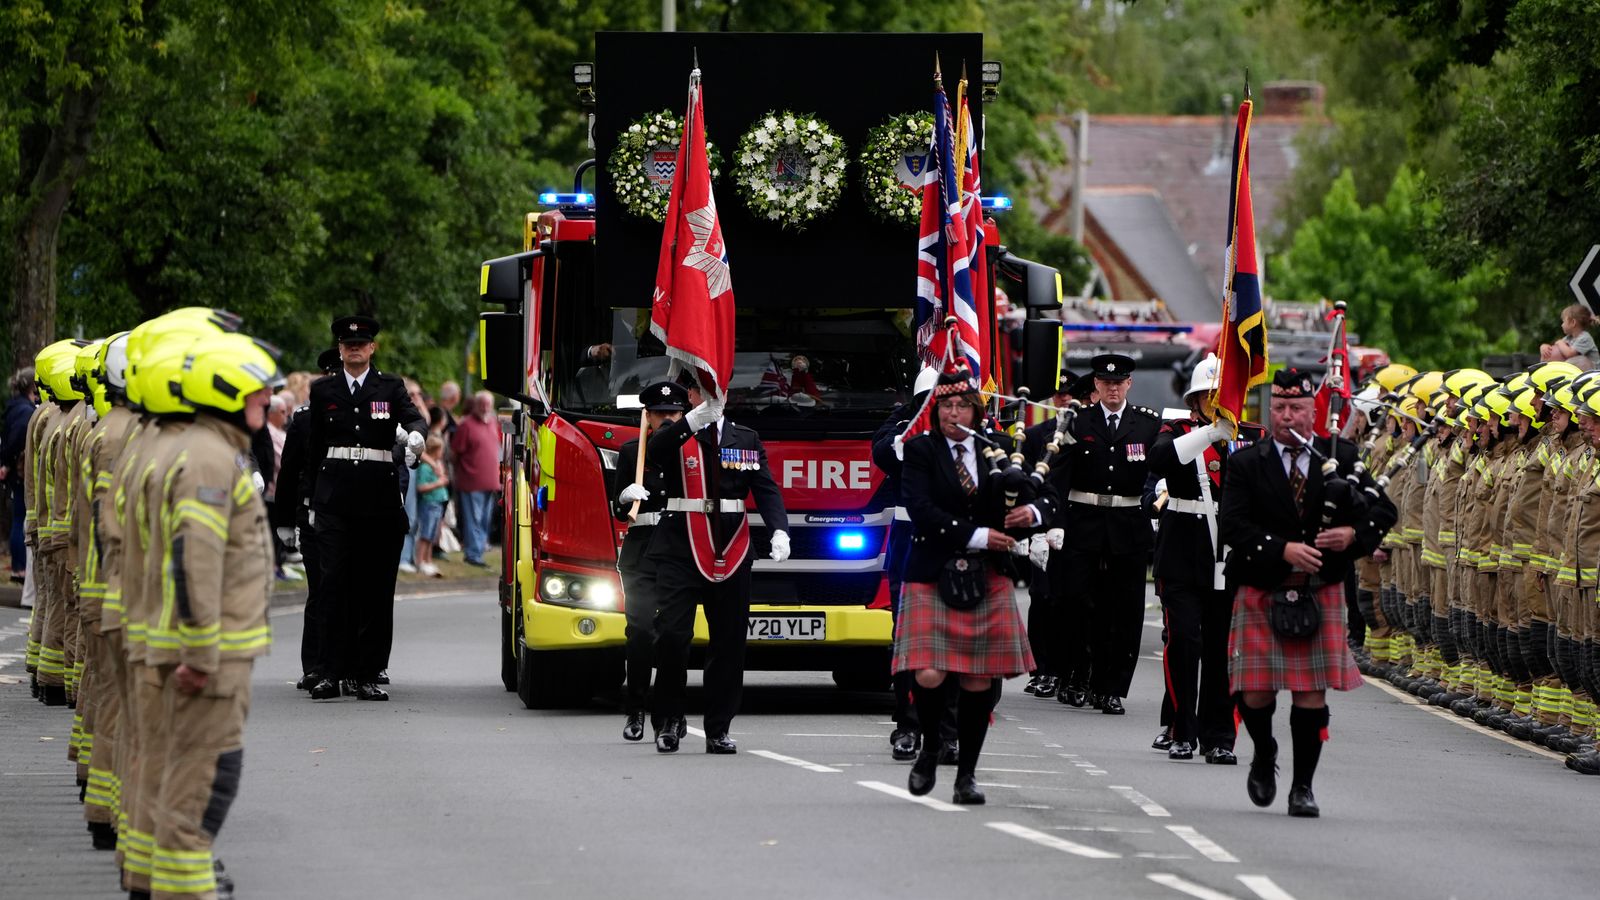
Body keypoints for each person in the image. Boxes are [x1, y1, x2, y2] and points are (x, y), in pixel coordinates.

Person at [1218, 367, 1397, 817]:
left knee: (1311, 693)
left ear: (1312, 412)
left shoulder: (1341, 456)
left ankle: (1303, 787)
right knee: (1255, 693)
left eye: (1296, 408)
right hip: (1262, 584)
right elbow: (1232, 525)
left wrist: (1353, 535)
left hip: (1320, 588)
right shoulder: (1246, 461)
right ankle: (1264, 752)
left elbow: (1383, 511)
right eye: (1279, 407)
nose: (1286, 416)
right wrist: (1283, 549)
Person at [146, 331, 282, 900]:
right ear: (224, 391)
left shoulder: (209, 448)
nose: (268, 400)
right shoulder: (208, 458)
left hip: (217, 644)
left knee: (195, 767)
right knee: (205, 771)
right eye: (258, 391)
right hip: (215, 649)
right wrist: (201, 651)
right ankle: (184, 886)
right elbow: (196, 558)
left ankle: (175, 877)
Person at [894, 369, 1049, 805]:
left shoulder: (997, 450)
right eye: (946, 406)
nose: (953, 413)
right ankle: (930, 747)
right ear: (935, 411)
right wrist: (978, 535)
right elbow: (920, 509)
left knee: (979, 681)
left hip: (987, 574)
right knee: (928, 672)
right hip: (932, 569)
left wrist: (1032, 515)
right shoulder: (921, 450)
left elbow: (1042, 496)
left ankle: (967, 775)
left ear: (977, 412)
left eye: (962, 406)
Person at [644, 376, 788, 753]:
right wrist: (691, 421)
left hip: (731, 545)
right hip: (680, 546)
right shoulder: (677, 433)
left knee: (729, 642)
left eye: (718, 390)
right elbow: (655, 451)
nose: (713, 397)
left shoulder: (745, 439)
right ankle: (669, 720)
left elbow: (765, 488)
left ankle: (718, 727)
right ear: (691, 395)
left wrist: (779, 530)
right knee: (672, 636)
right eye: (704, 390)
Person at [1147, 354, 1265, 763]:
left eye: (1222, 395)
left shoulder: (1252, 437)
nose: (1217, 402)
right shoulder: (1177, 431)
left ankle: (1220, 737)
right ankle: (1182, 730)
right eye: (1208, 396)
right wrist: (1209, 433)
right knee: (1184, 641)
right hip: (1183, 550)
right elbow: (1159, 460)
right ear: (1194, 401)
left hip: (1229, 556)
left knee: (1222, 649)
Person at [304, 315, 427, 701]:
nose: (354, 349)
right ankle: (329, 672)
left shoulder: (388, 387)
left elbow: (413, 417)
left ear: (372, 348)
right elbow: (313, 448)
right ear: (340, 349)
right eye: (348, 344)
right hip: (335, 499)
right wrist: (308, 500)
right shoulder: (323, 390)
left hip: (376, 499)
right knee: (331, 585)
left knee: (372, 588)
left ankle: (367, 673)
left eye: (361, 344)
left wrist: (417, 436)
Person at [1054, 353, 1162, 714]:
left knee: (1124, 611)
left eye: (1118, 382)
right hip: (1082, 522)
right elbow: (1060, 477)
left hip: (1127, 525)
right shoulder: (1077, 421)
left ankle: (1111, 687)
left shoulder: (1147, 424)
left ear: (1129, 384)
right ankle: (1076, 674)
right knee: (1076, 603)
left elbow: (1157, 473)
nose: (1112, 388)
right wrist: (1053, 524)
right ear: (1096, 385)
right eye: (1105, 382)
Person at [872, 366, 959, 763]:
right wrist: (913, 422)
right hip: (911, 541)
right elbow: (883, 452)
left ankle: (948, 732)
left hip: (955, 542)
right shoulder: (902, 426)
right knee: (908, 640)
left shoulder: (970, 433)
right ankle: (908, 726)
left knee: (953, 640)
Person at [612, 380, 689, 741]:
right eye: (659, 413)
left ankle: (671, 713)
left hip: (677, 550)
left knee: (675, 637)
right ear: (648, 416)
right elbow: (618, 509)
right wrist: (624, 497)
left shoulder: (690, 452)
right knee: (640, 632)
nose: (667, 418)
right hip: (642, 551)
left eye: (673, 412)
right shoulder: (633, 453)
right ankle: (636, 708)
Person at [449, 390, 503, 568]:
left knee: (484, 519)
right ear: (476, 405)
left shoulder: (493, 422)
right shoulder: (466, 425)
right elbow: (455, 453)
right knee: (473, 519)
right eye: (482, 404)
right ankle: (473, 554)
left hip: (490, 481)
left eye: (488, 404)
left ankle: (478, 551)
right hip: (471, 481)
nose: (485, 408)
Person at [3, 367, 37, 583]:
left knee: (18, 518)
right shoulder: (26, 411)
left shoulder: (14, 406)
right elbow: (16, 438)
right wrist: (9, 462)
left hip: (13, 470)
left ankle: (17, 567)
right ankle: (20, 568)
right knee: (20, 519)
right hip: (19, 471)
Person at [413, 434, 449, 577]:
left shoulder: (436, 466)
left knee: (432, 535)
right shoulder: (425, 468)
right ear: (435, 450)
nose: (442, 453)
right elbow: (421, 487)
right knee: (426, 534)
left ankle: (428, 560)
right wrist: (438, 484)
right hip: (429, 504)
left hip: (437, 504)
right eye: (441, 450)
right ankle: (420, 561)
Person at [1540, 304, 1599, 368]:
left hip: (1593, 371)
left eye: (1563, 322)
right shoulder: (1568, 338)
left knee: (1577, 361)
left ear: (1573, 322)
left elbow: (1570, 354)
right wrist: (1544, 347)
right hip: (1580, 370)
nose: (1562, 325)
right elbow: (1557, 350)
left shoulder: (1585, 338)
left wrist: (1560, 342)